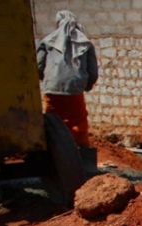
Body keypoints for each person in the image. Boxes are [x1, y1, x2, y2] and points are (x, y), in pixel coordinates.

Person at [37, 10, 98, 147]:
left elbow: (39, 66)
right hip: (75, 90)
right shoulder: (85, 43)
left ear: (58, 23)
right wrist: (86, 86)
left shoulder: (47, 41)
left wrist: (47, 81)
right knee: (77, 122)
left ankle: (53, 149)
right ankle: (80, 152)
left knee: (53, 120)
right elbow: (93, 71)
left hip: (52, 90)